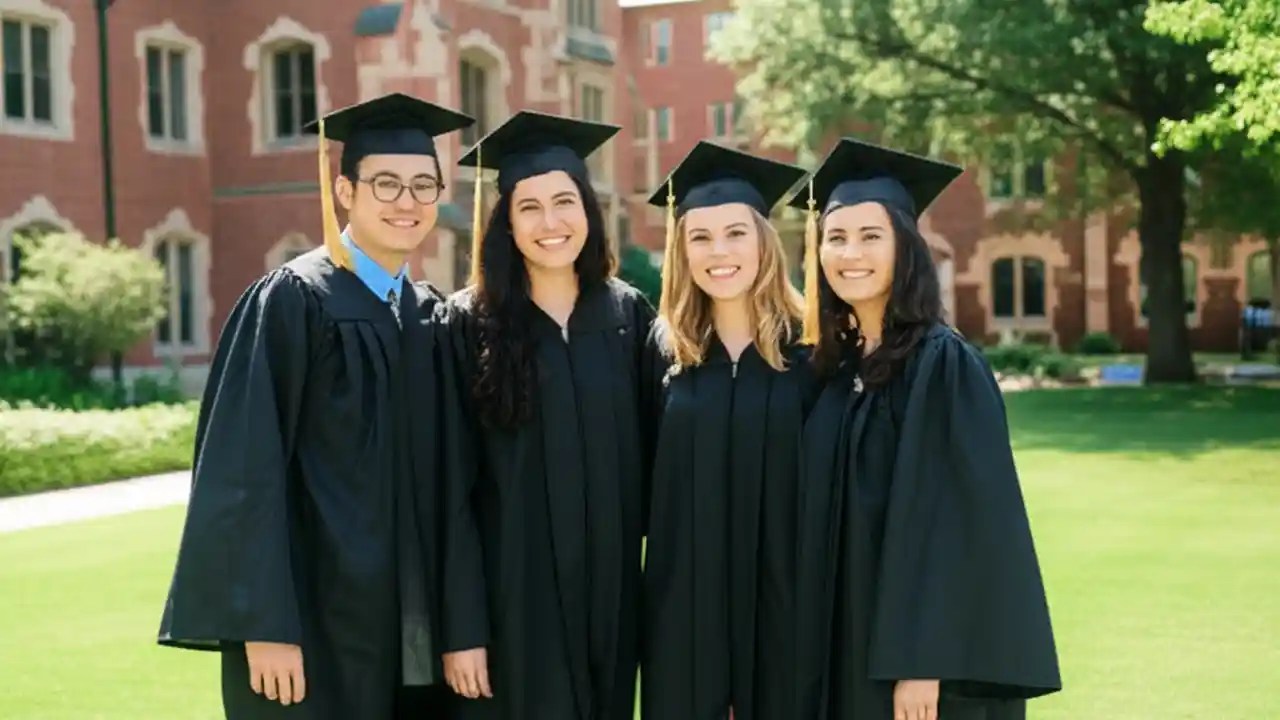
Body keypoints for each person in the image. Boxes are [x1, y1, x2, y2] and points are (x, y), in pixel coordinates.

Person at [156, 92, 474, 719]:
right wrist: (264, 623)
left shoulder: (429, 317)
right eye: (385, 184)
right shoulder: (295, 300)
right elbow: (243, 470)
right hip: (312, 627)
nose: (406, 202)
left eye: (422, 185)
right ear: (344, 191)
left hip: (408, 635)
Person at [787, 138, 1062, 720]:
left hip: (916, 667)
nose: (849, 253)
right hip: (842, 648)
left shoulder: (943, 365)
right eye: (835, 238)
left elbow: (961, 524)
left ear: (906, 250)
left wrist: (921, 660)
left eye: (870, 236)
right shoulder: (834, 374)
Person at [438, 110, 664, 720]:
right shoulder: (465, 325)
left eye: (565, 201)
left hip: (611, 609)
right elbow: (448, 493)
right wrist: (462, 629)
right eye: (529, 206)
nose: (550, 222)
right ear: (506, 224)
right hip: (512, 611)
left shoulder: (629, 318)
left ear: (589, 212)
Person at [640, 141, 817, 720]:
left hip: (791, 614)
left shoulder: (815, 353)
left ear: (765, 242)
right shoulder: (664, 351)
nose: (720, 252)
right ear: (681, 249)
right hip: (684, 619)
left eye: (736, 233)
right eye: (700, 237)